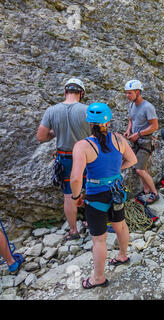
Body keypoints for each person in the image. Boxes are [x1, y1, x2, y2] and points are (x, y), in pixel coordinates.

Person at [70, 102, 137, 289]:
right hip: (117, 192)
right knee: (120, 225)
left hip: (96, 196)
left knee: (99, 239)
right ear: (108, 121)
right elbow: (132, 160)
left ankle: (98, 278)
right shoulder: (118, 139)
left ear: (89, 123)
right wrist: (116, 170)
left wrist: (76, 198)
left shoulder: (82, 146)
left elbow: (75, 178)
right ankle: (122, 255)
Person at [36, 78, 91, 241]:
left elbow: (41, 136)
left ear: (66, 92)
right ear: (81, 93)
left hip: (65, 157)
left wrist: (56, 132)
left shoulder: (52, 111)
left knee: (69, 194)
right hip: (87, 156)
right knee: (90, 188)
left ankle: (73, 231)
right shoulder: (88, 110)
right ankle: (90, 222)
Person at [123, 80, 159, 205]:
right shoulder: (132, 105)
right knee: (142, 167)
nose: (127, 96)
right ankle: (146, 190)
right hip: (136, 141)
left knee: (139, 169)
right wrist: (128, 130)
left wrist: (138, 134)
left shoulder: (148, 107)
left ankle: (155, 193)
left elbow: (154, 126)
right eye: (126, 93)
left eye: (129, 93)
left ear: (138, 92)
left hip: (146, 142)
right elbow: (131, 120)